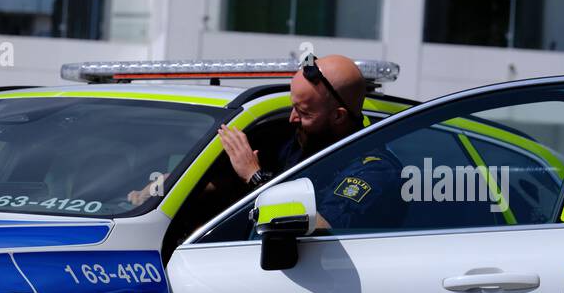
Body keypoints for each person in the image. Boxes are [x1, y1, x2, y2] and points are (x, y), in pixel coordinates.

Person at [129, 54, 402, 233]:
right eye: (292, 107)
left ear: (338, 117)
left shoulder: (372, 170)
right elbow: (222, 185)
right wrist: (162, 188)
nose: (292, 118)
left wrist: (256, 177)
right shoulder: (295, 143)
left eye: (304, 113)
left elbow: (320, 228)